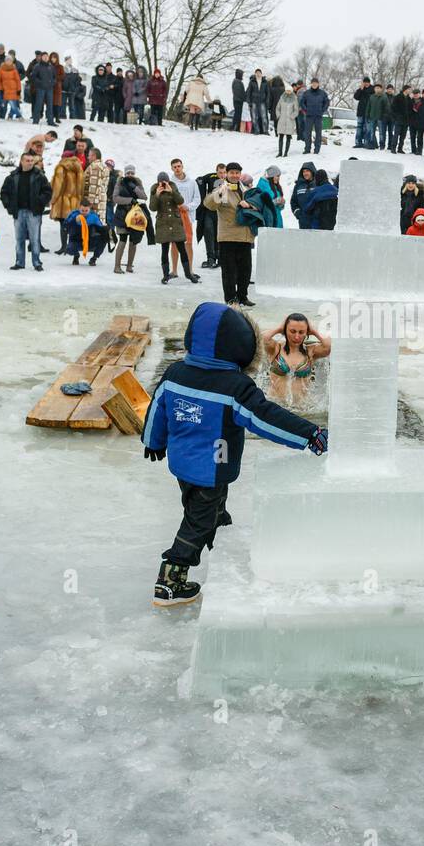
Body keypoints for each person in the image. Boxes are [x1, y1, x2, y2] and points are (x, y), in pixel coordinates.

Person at [141, 303, 328, 606]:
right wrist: (310, 434)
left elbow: (157, 408)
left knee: (208, 510)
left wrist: (153, 440)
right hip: (213, 467)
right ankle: (170, 579)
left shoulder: (175, 372)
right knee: (197, 520)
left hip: (182, 462)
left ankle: (223, 546)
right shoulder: (234, 386)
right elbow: (266, 418)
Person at [204, 161, 255, 305]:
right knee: (229, 271)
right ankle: (231, 299)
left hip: (245, 236)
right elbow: (209, 204)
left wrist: (250, 205)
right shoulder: (221, 187)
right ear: (226, 174)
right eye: (232, 173)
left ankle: (243, 296)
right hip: (227, 236)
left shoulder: (245, 189)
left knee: (245, 270)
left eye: (237, 173)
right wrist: (220, 192)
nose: (234, 175)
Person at [0, 151, 52, 271]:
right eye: (27, 161)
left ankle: (37, 262)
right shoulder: (13, 176)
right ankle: (19, 262)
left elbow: (48, 191)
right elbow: (4, 193)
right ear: (22, 161)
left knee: (35, 239)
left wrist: (40, 202)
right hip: (18, 212)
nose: (30, 163)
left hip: (33, 212)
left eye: (31, 161)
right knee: (19, 238)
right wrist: (9, 206)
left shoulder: (39, 176)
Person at [263, 313, 332, 403]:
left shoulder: (310, 351)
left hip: (301, 408)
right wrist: (279, 328)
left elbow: (328, 346)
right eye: (292, 331)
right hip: (275, 405)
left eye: (301, 332)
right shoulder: (276, 348)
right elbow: (262, 339)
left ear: (307, 332)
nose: (297, 337)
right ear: (285, 331)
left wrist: (314, 331)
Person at [150, 171, 201, 286]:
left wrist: (171, 191)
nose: (163, 184)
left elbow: (180, 201)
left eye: (165, 181)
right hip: (163, 224)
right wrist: (157, 195)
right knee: (164, 250)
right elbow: (152, 207)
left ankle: (188, 274)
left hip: (176, 223)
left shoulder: (173, 187)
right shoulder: (154, 189)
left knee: (182, 249)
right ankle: (165, 275)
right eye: (161, 182)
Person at [50, 141, 85, 254]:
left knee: (63, 224)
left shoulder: (61, 168)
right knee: (73, 225)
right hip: (75, 201)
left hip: (63, 201)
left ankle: (64, 247)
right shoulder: (78, 168)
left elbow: (57, 186)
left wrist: (53, 200)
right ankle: (72, 246)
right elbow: (81, 187)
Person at [168, 156, 201, 277]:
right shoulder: (170, 184)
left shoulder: (192, 182)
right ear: (172, 168)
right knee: (174, 244)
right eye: (174, 167)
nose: (177, 168)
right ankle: (174, 270)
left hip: (187, 216)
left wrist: (188, 207)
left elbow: (197, 199)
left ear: (182, 166)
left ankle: (190, 270)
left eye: (179, 166)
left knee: (188, 243)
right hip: (174, 218)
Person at [65, 200, 108, 266]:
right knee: (69, 248)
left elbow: (101, 230)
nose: (84, 213)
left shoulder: (94, 217)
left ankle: (94, 259)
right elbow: (65, 228)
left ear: (89, 209)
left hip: (90, 241)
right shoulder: (74, 215)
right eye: (82, 210)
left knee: (103, 239)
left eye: (86, 211)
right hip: (77, 240)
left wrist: (106, 230)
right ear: (79, 208)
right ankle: (76, 256)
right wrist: (74, 221)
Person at [299, 77, 330, 154]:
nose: (314, 84)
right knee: (307, 133)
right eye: (313, 83)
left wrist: (322, 110)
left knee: (318, 134)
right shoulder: (306, 93)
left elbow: (327, 102)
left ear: (318, 84)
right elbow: (302, 103)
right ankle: (307, 149)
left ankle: (317, 150)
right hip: (309, 116)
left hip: (318, 116)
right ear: (311, 84)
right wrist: (306, 110)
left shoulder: (322, 93)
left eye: (316, 83)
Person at [82, 147, 110, 223]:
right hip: (101, 199)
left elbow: (94, 185)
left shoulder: (95, 167)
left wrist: (89, 203)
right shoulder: (104, 166)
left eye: (89, 155)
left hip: (95, 203)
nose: (88, 157)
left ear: (94, 156)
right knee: (99, 223)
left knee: (93, 224)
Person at [276, 85, 299, 157]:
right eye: (287, 90)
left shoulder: (294, 99)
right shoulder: (282, 98)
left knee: (288, 137)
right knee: (281, 137)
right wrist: (278, 115)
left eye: (289, 90)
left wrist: (292, 116)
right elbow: (277, 108)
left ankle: (286, 153)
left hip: (290, 121)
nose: (288, 92)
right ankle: (280, 152)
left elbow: (296, 110)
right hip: (282, 120)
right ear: (285, 91)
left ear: (291, 91)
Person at [246, 69, 270, 134]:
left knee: (264, 116)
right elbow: (248, 92)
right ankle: (257, 130)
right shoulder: (252, 81)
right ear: (255, 74)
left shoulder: (265, 82)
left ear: (261, 74)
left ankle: (265, 131)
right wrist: (249, 102)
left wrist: (267, 102)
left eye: (259, 73)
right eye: (256, 73)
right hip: (254, 101)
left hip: (262, 101)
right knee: (254, 117)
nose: (258, 74)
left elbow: (268, 93)